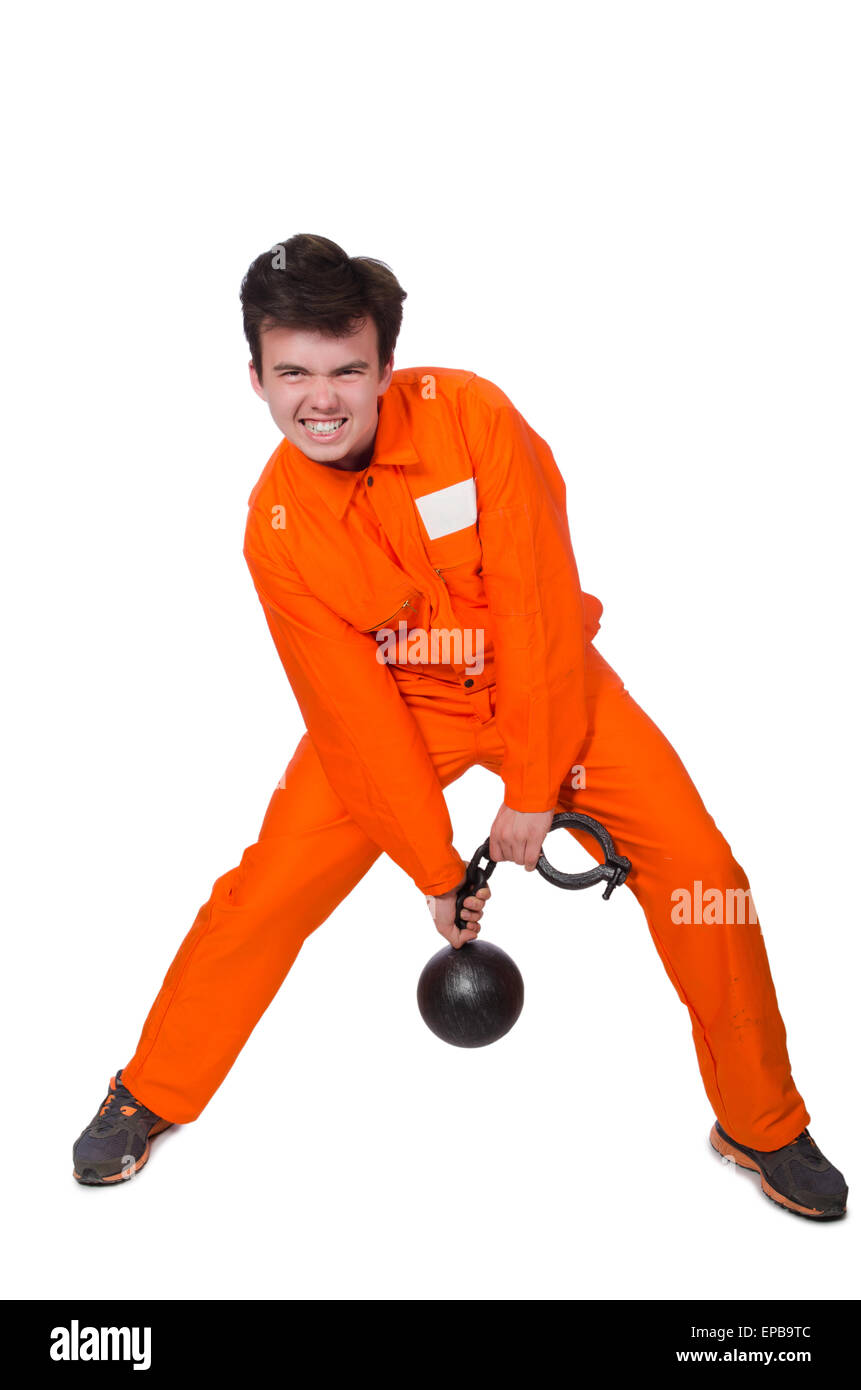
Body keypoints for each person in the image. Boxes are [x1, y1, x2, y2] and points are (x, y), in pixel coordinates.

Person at [72, 234, 847, 1221]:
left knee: (709, 882)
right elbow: (352, 718)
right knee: (265, 893)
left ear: (386, 365)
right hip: (402, 713)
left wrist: (532, 786)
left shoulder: (473, 418)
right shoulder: (277, 529)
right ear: (255, 378)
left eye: (348, 368)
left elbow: (537, 608)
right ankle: (150, 1088)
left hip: (550, 684)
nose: (322, 398)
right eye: (293, 372)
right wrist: (437, 869)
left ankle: (761, 1121)